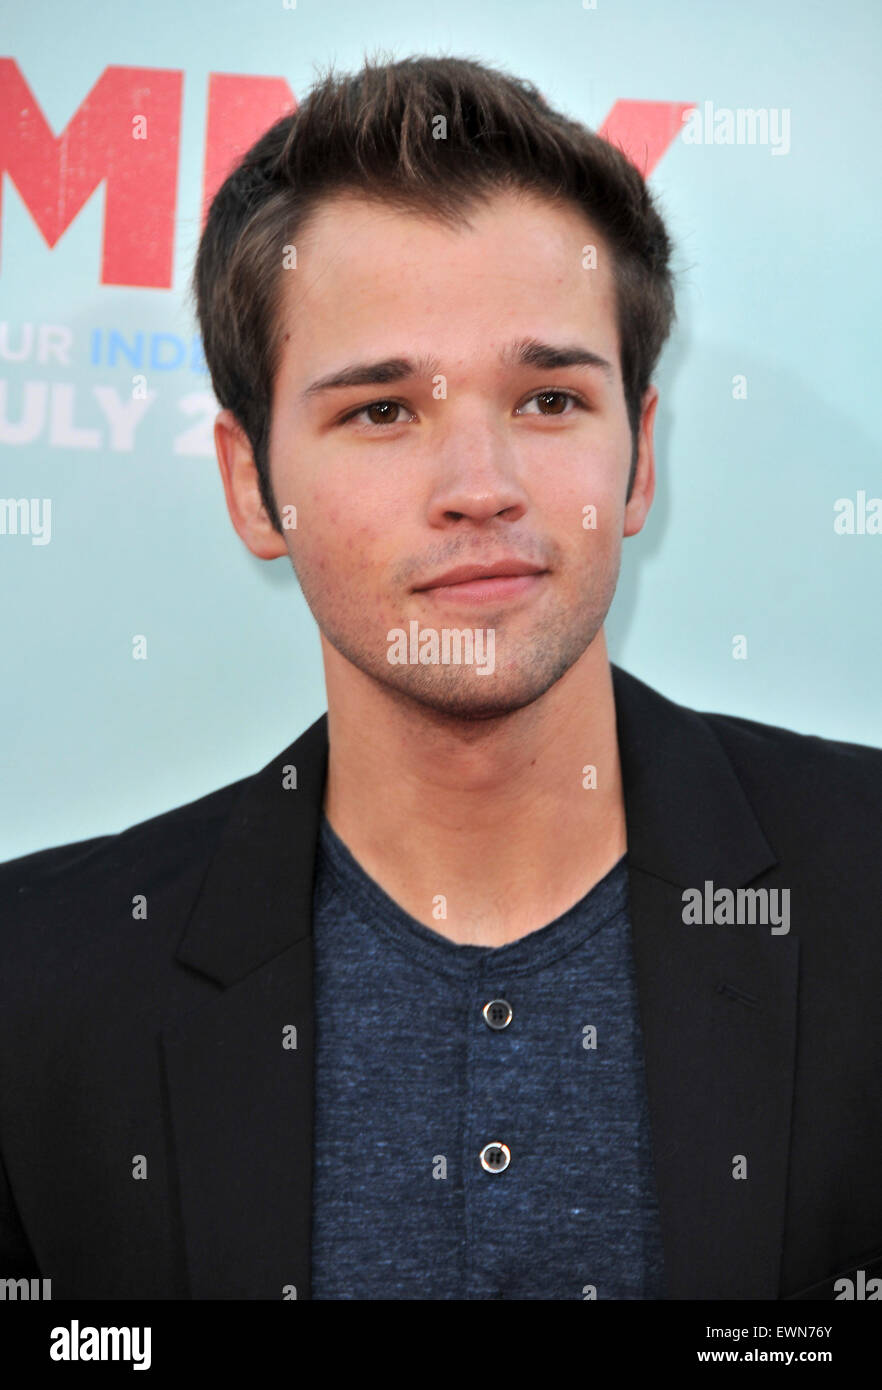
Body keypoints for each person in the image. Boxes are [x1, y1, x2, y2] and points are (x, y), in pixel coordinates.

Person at [1, 54, 880, 1302]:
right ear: (252, 485)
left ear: (638, 465)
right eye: (382, 412)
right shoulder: (37, 988)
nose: (481, 482)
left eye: (548, 397)